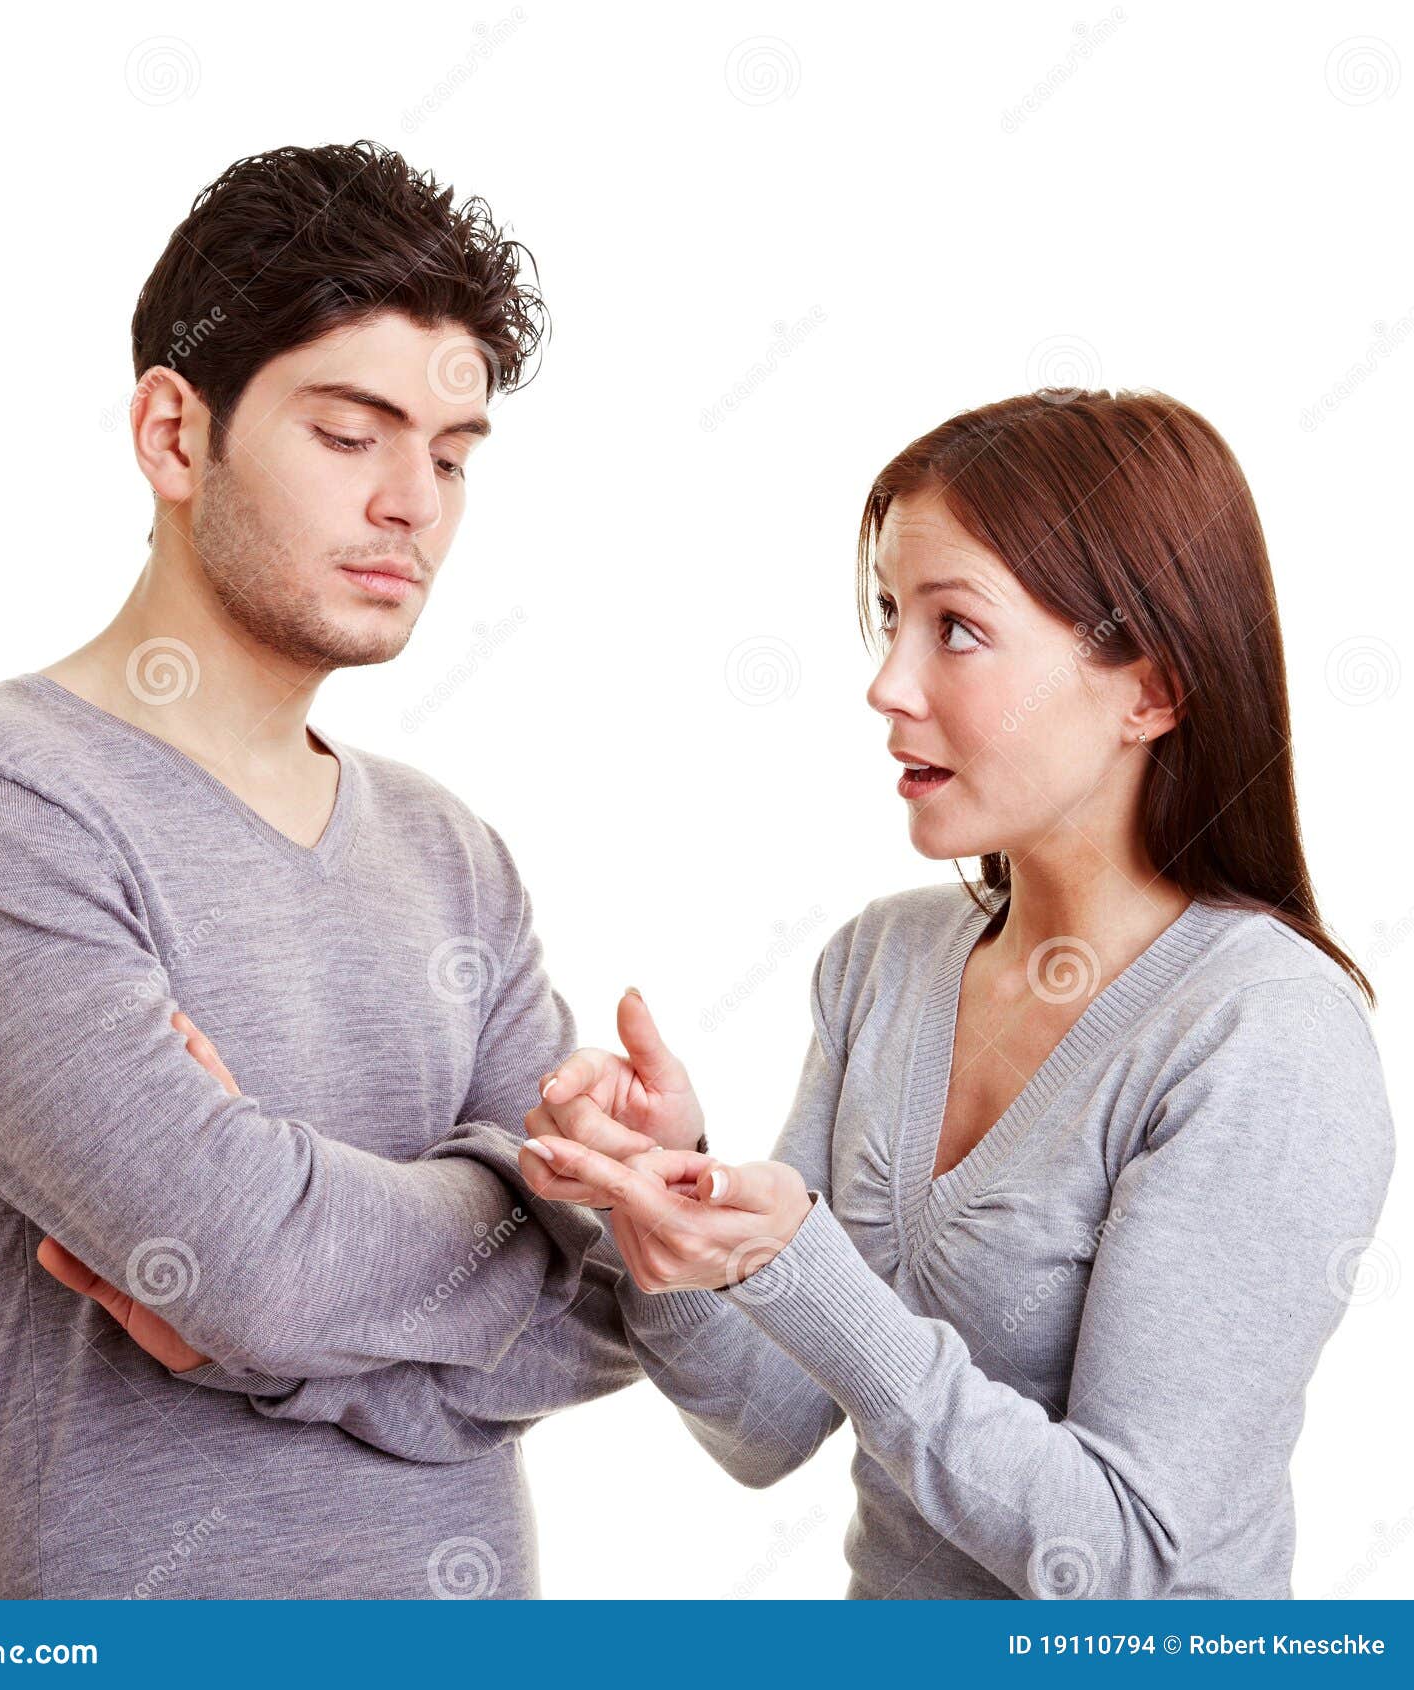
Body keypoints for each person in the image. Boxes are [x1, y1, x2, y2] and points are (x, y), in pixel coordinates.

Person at [0, 141, 696, 1601]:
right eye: (350, 433)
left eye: (451, 454)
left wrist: (300, 1320)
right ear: (175, 435)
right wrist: (511, 1202)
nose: (413, 503)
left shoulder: (449, 850)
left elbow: (620, 1307)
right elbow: (236, 1258)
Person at [517, 389, 1396, 1600]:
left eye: (956, 628)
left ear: (1150, 689)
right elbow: (764, 1427)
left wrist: (800, 1261)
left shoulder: (1260, 1036)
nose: (887, 683)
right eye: (890, 616)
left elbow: (1130, 1558)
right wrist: (667, 1199)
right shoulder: (885, 963)